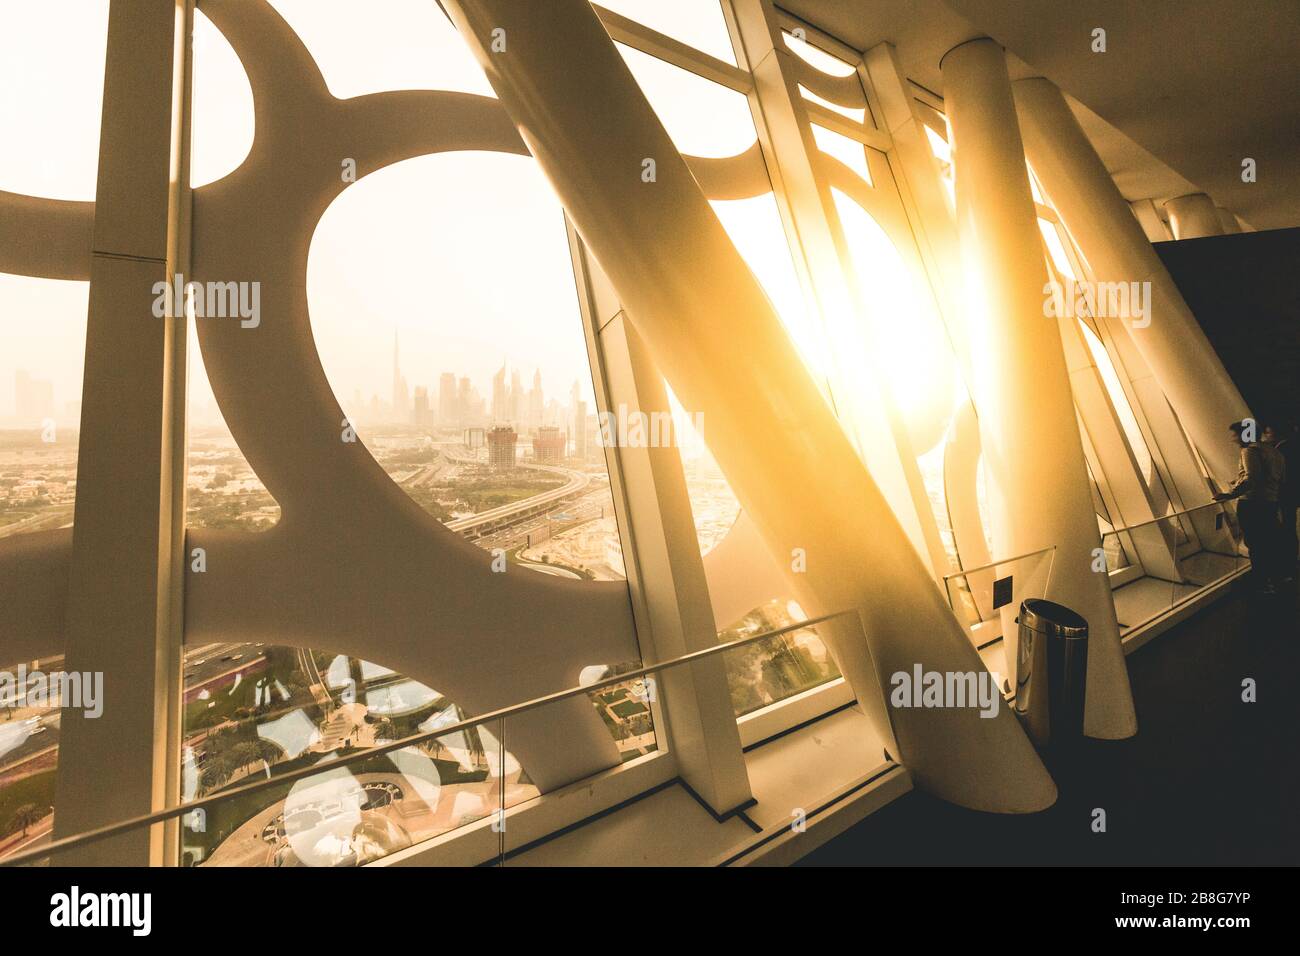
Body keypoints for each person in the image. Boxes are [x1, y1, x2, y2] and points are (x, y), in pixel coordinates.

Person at [1214, 420, 1284, 593]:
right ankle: (1274, 580)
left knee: (1255, 543)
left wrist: (1230, 494)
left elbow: (1252, 478)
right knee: (1267, 542)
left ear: (1245, 434)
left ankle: (1261, 583)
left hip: (1252, 503)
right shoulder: (1275, 452)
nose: (1233, 438)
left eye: (1235, 434)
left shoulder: (1249, 451)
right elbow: (1276, 479)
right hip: (1270, 502)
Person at [1263, 421, 1297, 583]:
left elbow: (1278, 476)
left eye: (1268, 433)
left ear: (1277, 434)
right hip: (1291, 496)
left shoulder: (1280, 451)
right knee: (1289, 529)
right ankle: (1290, 566)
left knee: (1285, 531)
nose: (1266, 436)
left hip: (1283, 497)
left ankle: (1285, 568)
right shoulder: (1292, 447)